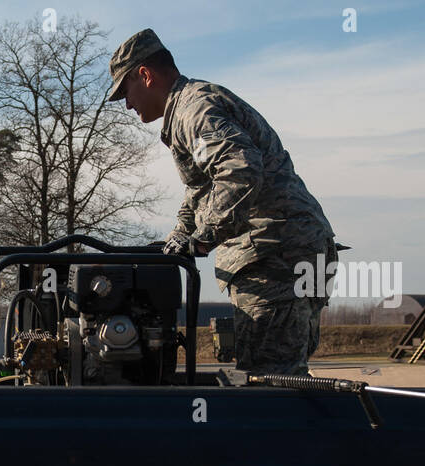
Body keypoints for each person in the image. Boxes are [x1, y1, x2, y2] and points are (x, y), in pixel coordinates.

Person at [106, 28, 338, 375]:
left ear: (145, 74)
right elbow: (201, 189)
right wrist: (177, 239)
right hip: (292, 250)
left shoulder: (193, 109)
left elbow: (240, 170)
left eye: (126, 90)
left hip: (275, 257)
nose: (127, 103)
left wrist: (202, 239)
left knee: (272, 388)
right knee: (283, 381)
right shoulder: (188, 108)